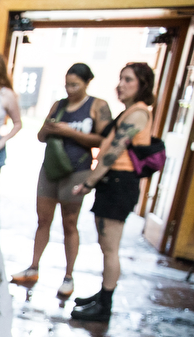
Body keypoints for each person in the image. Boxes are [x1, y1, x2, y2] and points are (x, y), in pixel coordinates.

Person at [10, 63, 111, 299]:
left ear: (87, 83)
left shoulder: (97, 106)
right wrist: (50, 128)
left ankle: (68, 276)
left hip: (77, 170)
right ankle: (33, 267)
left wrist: (71, 133)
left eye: (75, 85)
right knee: (43, 220)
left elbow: (105, 140)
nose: (70, 89)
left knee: (70, 223)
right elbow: (40, 136)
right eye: (67, 84)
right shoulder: (59, 105)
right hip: (51, 169)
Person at [69, 62, 157, 322]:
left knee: (110, 248)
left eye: (128, 80)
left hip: (120, 182)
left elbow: (113, 152)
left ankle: (104, 306)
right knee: (105, 245)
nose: (121, 85)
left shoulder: (138, 113)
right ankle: (102, 295)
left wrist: (89, 182)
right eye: (121, 79)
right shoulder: (129, 111)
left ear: (142, 85)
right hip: (113, 182)